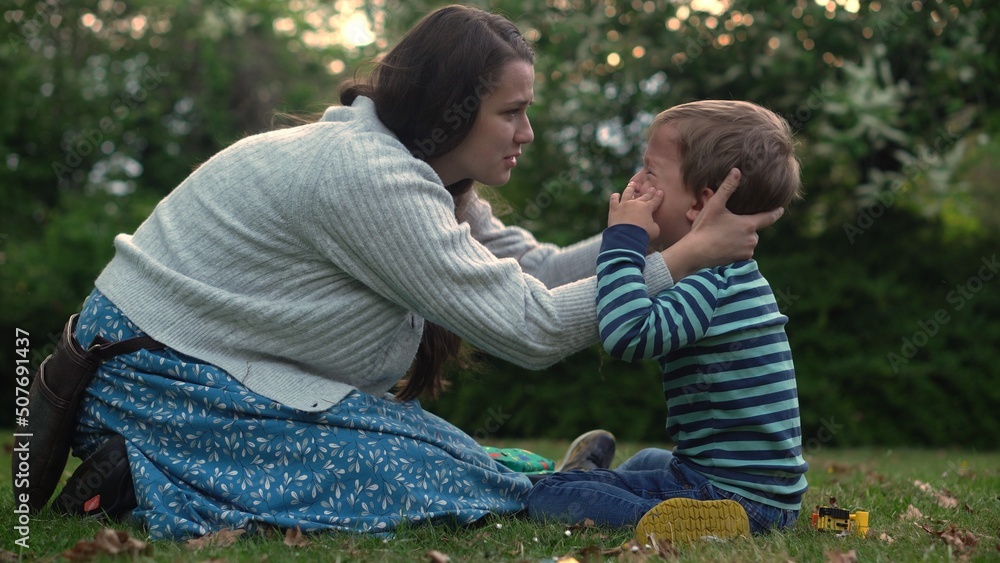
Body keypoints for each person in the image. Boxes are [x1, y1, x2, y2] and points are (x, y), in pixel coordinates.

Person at [20, 6, 783, 540]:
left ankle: (546, 483)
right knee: (431, 480)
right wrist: (682, 255)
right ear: (453, 110)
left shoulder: (426, 177)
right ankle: (137, 469)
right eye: (511, 113)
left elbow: (539, 272)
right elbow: (532, 325)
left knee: (445, 461)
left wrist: (643, 244)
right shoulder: (368, 177)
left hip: (213, 370)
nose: (527, 132)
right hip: (160, 377)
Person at [526, 100, 808, 542]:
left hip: (730, 496)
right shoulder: (730, 276)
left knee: (546, 496)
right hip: (768, 495)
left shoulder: (708, 281)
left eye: (650, 173)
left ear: (702, 202)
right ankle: (597, 479)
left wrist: (624, 241)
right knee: (646, 463)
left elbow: (626, 334)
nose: (635, 183)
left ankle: (607, 491)